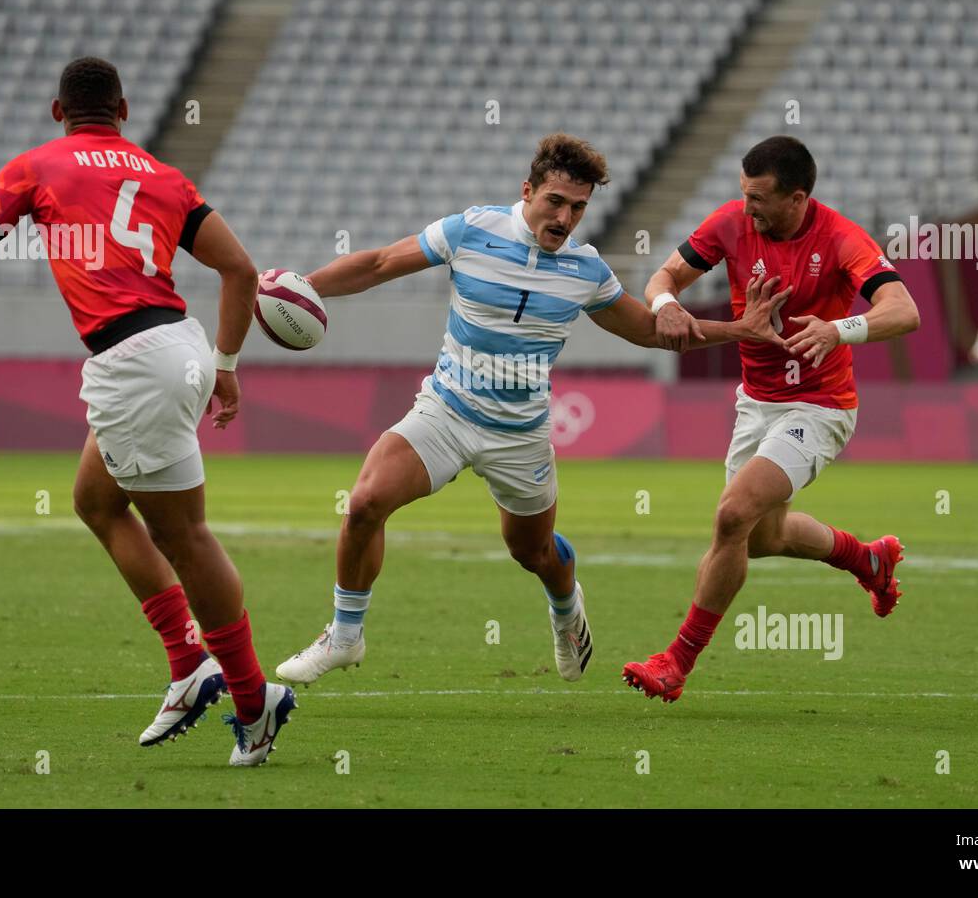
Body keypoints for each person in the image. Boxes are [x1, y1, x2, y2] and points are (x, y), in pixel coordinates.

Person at [275, 133, 790, 686]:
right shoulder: (471, 230)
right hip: (446, 413)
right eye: (556, 202)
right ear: (527, 191)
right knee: (365, 503)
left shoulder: (587, 270)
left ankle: (567, 609)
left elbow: (646, 330)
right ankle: (345, 636)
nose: (566, 218)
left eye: (578, 208)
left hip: (520, 435)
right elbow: (378, 263)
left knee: (534, 551)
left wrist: (738, 330)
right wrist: (305, 287)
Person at [0, 57, 293, 765]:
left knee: (186, 538)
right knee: (95, 499)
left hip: (132, 364)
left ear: (57, 111)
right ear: (123, 110)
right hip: (178, 347)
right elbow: (240, 270)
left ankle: (253, 701)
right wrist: (225, 367)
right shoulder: (163, 176)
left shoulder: (35, 166)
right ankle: (190, 663)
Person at [622, 135, 921, 703]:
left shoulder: (839, 238)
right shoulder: (731, 225)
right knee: (761, 536)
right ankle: (869, 559)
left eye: (758, 198)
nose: (747, 207)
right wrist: (668, 307)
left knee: (732, 515)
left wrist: (838, 329)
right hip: (755, 403)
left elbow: (904, 311)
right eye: (743, 194)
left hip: (820, 406)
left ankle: (675, 662)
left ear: (798, 198)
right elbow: (662, 279)